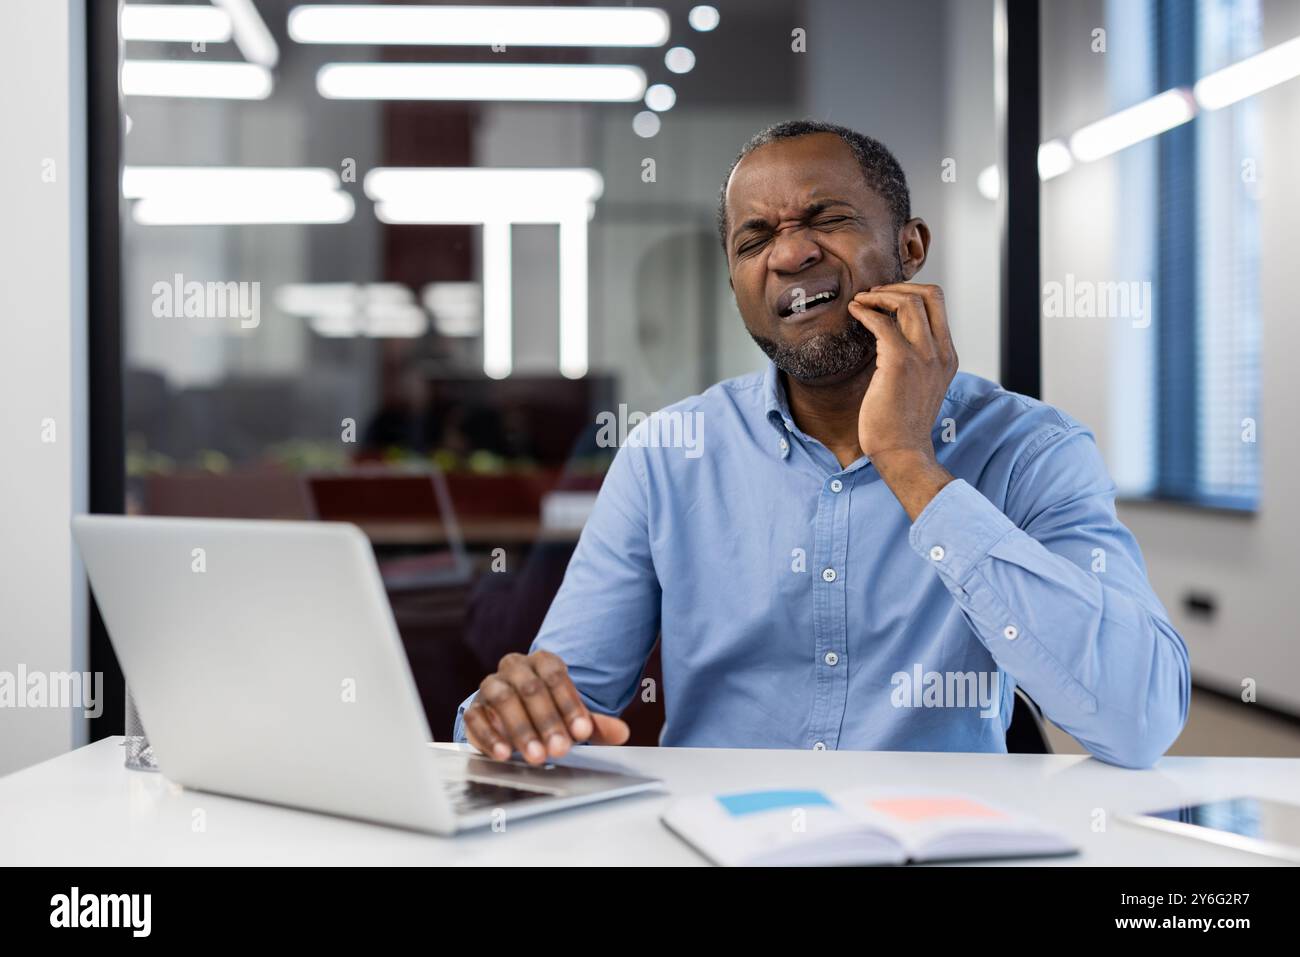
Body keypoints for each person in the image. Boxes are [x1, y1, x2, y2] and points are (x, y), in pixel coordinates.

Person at [453, 119, 1190, 769]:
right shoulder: (667, 455)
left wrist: (908, 462)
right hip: (717, 846)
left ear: (910, 246)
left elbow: (1139, 717)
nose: (791, 254)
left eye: (826, 218)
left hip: (935, 847)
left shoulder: (1031, 448)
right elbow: (564, 703)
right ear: (738, 281)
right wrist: (515, 718)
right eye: (755, 239)